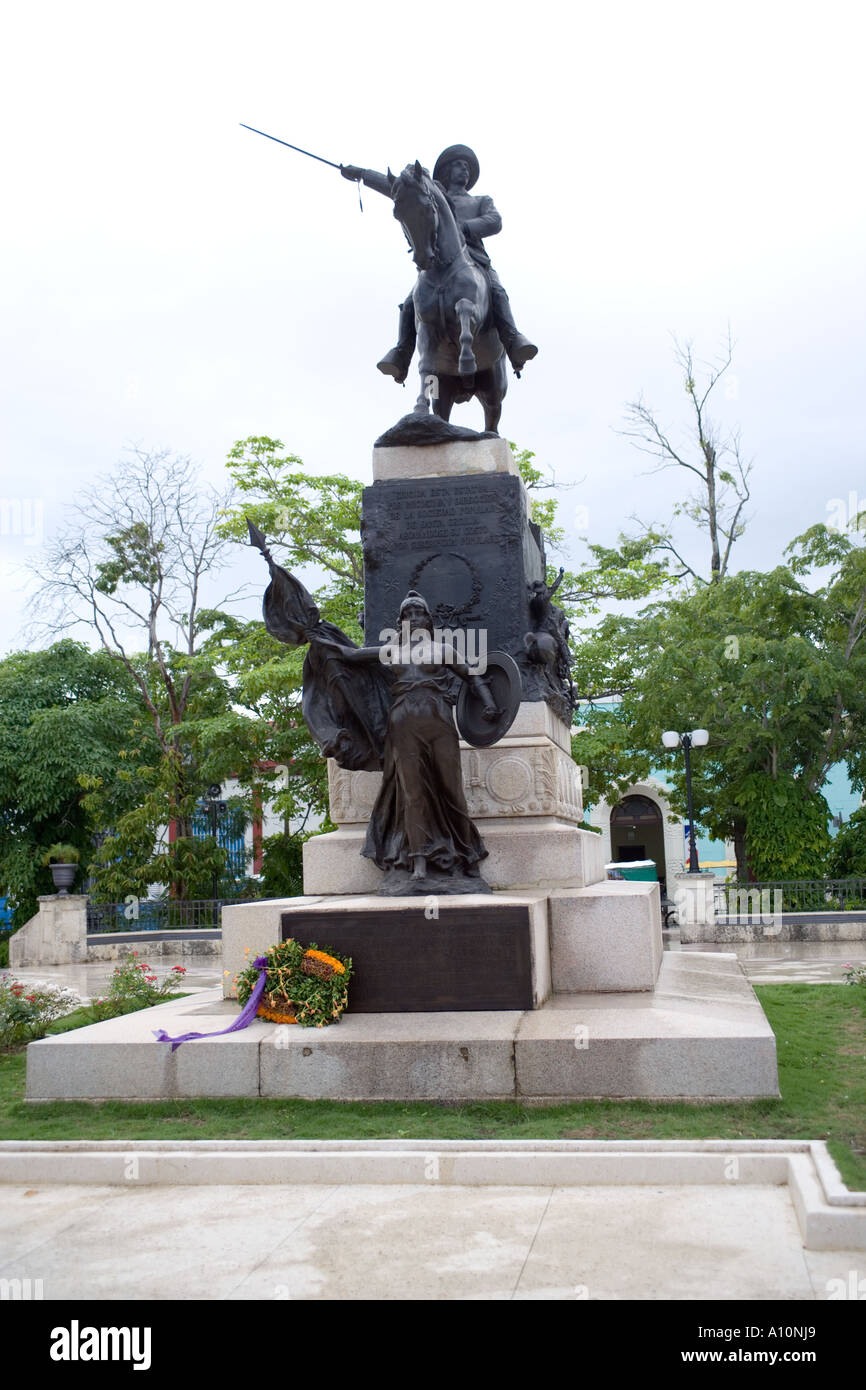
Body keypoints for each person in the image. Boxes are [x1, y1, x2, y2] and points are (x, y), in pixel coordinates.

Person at [318, 590, 500, 888]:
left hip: (439, 721)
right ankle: (417, 860)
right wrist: (319, 636)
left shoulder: (443, 649)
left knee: (452, 788)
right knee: (412, 792)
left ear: (429, 620)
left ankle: (467, 856)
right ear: (401, 622)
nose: (414, 619)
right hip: (402, 724)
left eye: (419, 614)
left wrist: (489, 703)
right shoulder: (393, 651)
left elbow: (473, 676)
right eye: (408, 614)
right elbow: (350, 655)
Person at [340, 144, 537, 382]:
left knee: (497, 291)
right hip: (437, 264)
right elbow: (396, 187)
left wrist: (465, 228)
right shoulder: (432, 194)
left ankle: (513, 339)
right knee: (410, 303)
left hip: (475, 260)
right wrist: (361, 174)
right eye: (457, 165)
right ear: (446, 171)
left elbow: (494, 221)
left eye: (466, 167)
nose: (463, 170)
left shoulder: (480, 200)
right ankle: (402, 353)